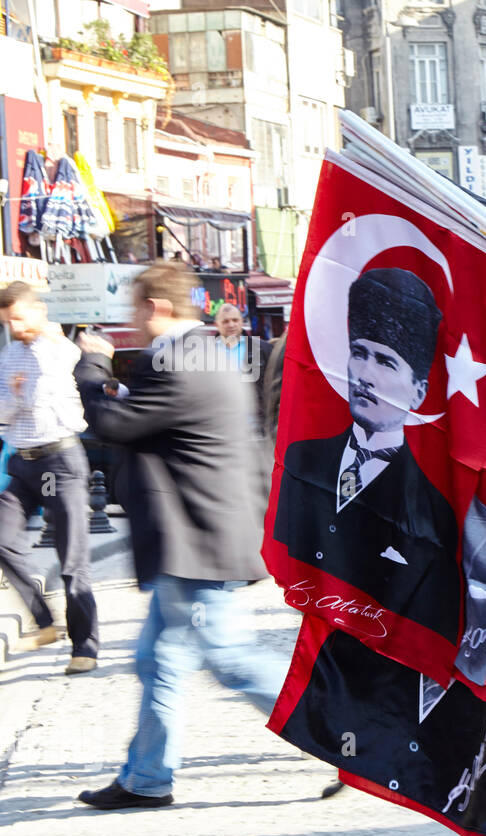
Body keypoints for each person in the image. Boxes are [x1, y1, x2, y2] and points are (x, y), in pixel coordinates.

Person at [72, 261, 330, 808]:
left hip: (200, 539)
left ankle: (339, 743)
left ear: (156, 307)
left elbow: (115, 426)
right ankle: (146, 779)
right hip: (200, 535)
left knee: (229, 658)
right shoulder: (203, 352)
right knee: (158, 660)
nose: (131, 320)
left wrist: (92, 366)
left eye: (134, 309)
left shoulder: (178, 360)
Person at [272, 268, 462, 643]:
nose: (365, 375)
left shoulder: (434, 507)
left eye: (386, 362)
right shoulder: (302, 460)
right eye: (359, 354)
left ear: (419, 392)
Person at [0, 282, 99, 675]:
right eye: (8, 324)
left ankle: (85, 646)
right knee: (2, 540)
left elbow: (37, 392)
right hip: (23, 463)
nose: (16, 329)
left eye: (20, 319)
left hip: (60, 460)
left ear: (38, 312)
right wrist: (14, 396)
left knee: (72, 559)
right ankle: (44, 620)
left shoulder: (58, 348)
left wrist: (16, 395)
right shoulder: (10, 354)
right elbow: (4, 411)